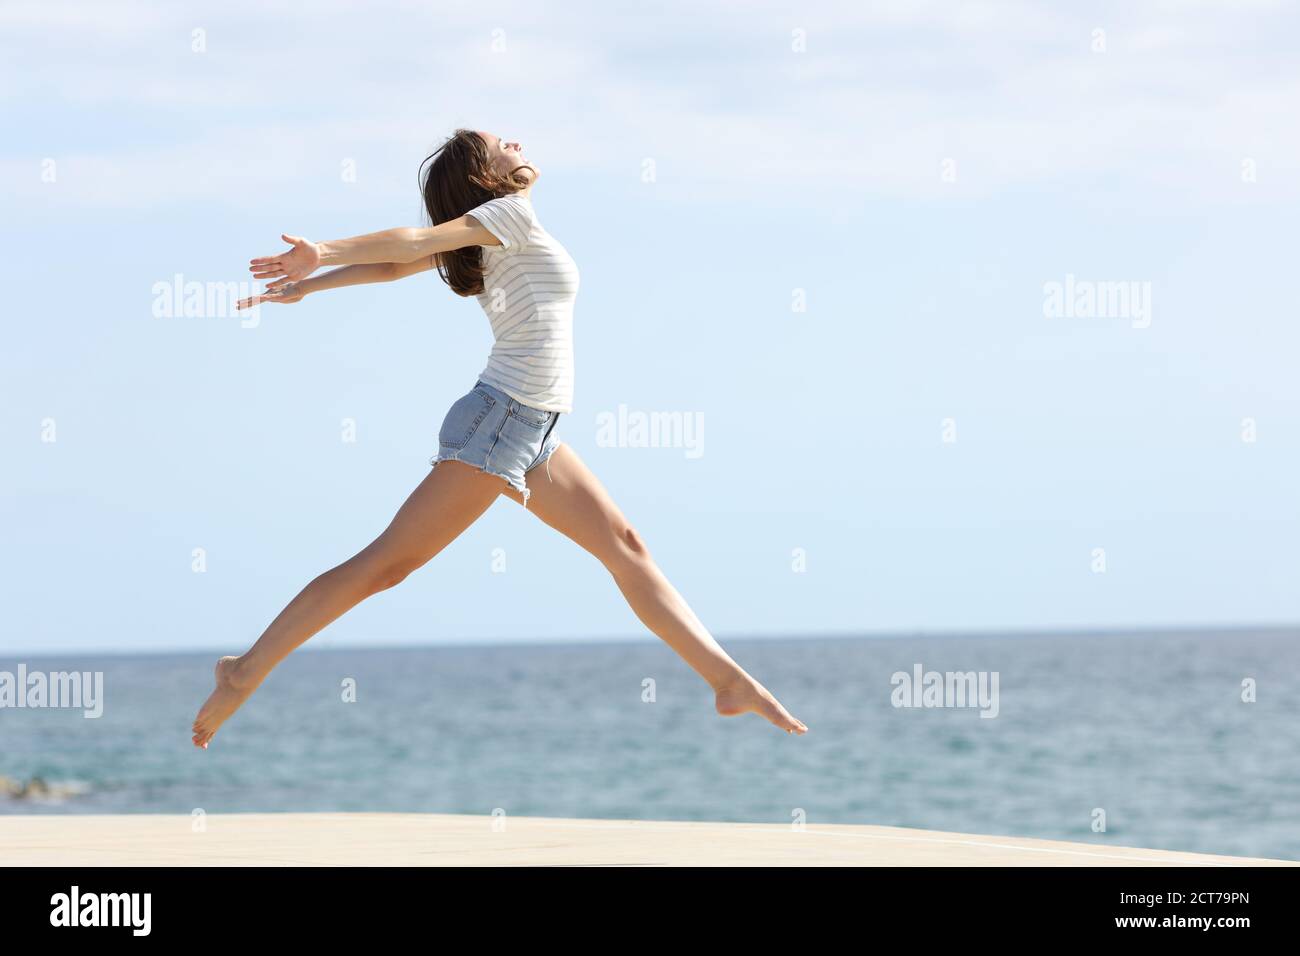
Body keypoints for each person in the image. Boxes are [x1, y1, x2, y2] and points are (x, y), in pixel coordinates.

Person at [192, 129, 807, 749]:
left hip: (533, 427)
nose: (516, 141)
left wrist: (308, 284)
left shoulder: (498, 232)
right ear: (483, 175)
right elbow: (411, 245)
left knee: (627, 547)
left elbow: (391, 265)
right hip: (503, 420)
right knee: (385, 566)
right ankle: (243, 672)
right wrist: (319, 255)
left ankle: (727, 680)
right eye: (499, 143)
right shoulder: (504, 216)